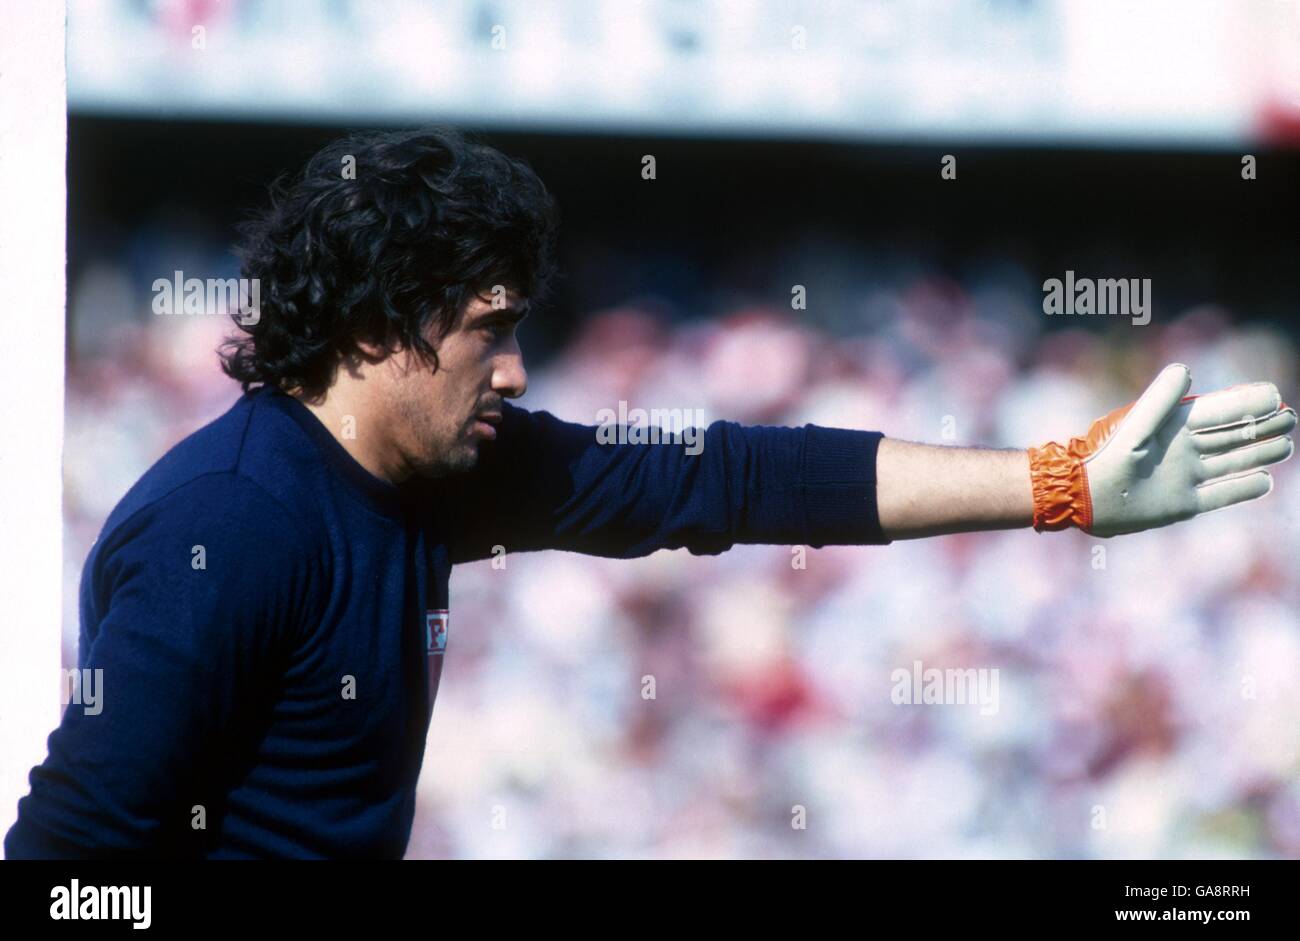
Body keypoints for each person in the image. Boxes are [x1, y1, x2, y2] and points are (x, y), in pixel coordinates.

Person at [7, 127, 1294, 858]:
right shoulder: (228, 525)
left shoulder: (447, 472)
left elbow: (728, 474)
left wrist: (1058, 481)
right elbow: (68, 865)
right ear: (370, 328)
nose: (515, 367)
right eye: (486, 329)